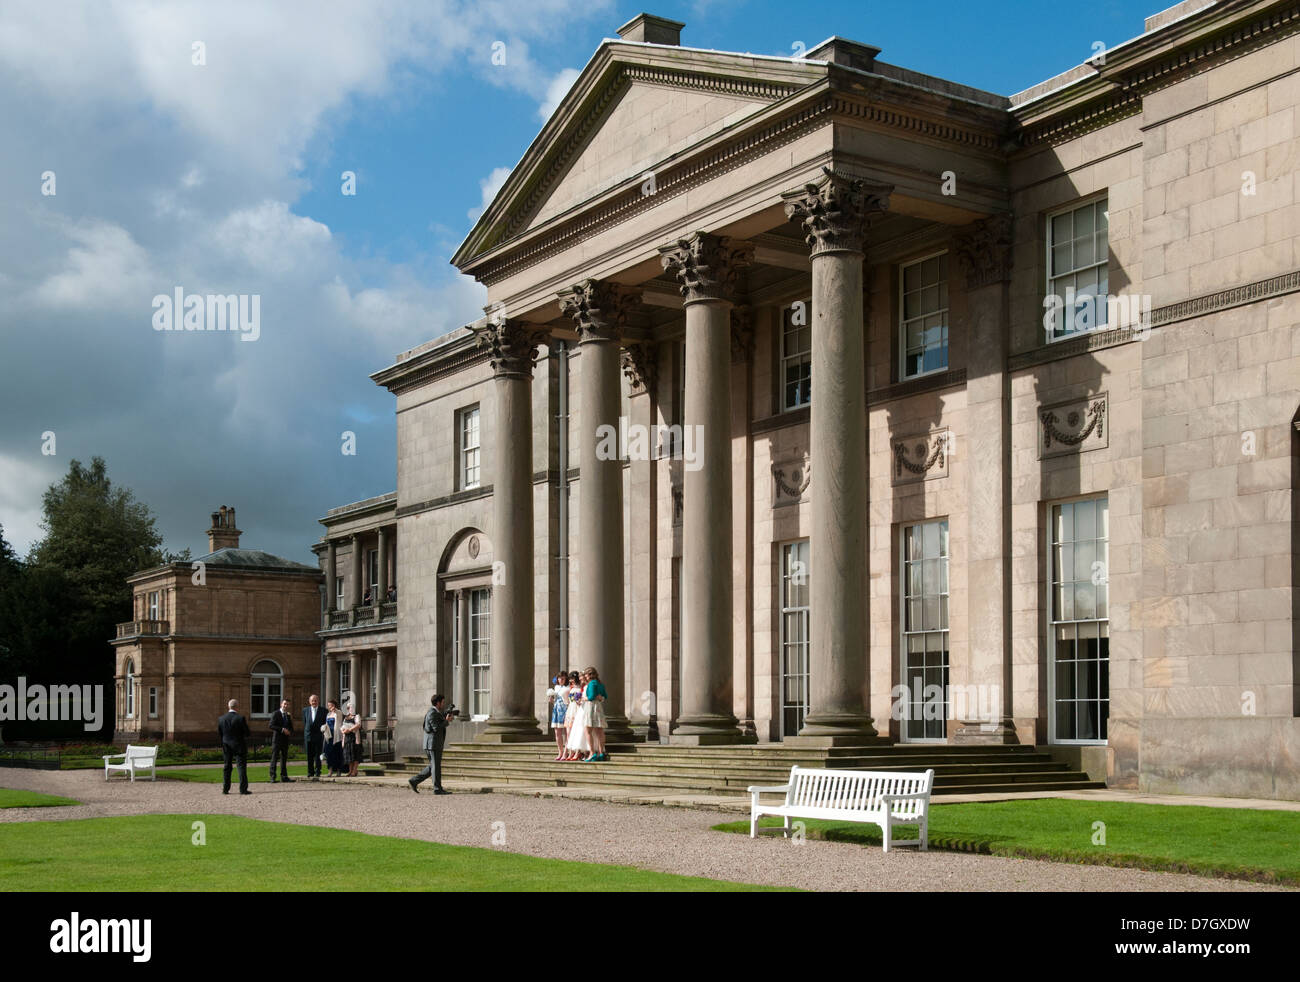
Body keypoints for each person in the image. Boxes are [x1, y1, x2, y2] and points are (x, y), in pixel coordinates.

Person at [409, 693, 457, 794]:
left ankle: (414, 781)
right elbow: (436, 728)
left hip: (433, 744)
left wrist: (447, 719)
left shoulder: (436, 712)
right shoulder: (432, 713)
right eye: (442, 702)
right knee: (436, 767)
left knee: (433, 766)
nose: (443, 704)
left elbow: (438, 723)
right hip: (432, 744)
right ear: (438, 703)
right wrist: (447, 721)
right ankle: (437, 789)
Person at [217, 698, 251, 795]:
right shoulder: (240, 718)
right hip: (239, 745)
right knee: (241, 767)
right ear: (237, 706)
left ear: (228, 706)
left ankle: (225, 789)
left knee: (227, 766)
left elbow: (220, 733)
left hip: (226, 745)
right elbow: (247, 733)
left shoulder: (221, 718)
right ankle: (243, 789)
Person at [583, 666, 608, 762]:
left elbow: (591, 697)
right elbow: (605, 696)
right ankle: (601, 753)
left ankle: (592, 753)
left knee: (587, 730)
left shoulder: (592, 683)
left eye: (586, 674)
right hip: (598, 707)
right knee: (599, 730)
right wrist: (600, 697)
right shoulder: (600, 684)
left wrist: (584, 698)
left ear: (590, 675)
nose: (585, 676)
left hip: (591, 707)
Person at [563, 671, 589, 762]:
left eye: (573, 679)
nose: (571, 680)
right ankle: (570, 752)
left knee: (577, 731)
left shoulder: (581, 688)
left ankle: (577, 752)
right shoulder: (571, 688)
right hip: (571, 709)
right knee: (569, 733)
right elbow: (568, 701)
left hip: (577, 709)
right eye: (570, 679)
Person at [268, 698, 294, 783]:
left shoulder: (288, 715)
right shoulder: (276, 713)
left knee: (284, 759)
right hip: (277, 740)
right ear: (281, 704)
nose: (286, 706)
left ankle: (284, 776)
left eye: (287, 704)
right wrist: (282, 730)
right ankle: (272, 777)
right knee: (274, 758)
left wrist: (290, 731)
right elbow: (271, 725)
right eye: (284, 704)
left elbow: (291, 726)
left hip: (285, 740)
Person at [303, 694, 325, 781]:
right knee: (309, 755)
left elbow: (324, 723)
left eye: (315, 700)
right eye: (312, 701)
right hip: (308, 736)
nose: (314, 702)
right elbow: (305, 722)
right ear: (309, 702)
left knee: (318, 755)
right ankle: (310, 771)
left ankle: (318, 771)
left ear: (318, 701)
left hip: (318, 735)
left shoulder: (323, 711)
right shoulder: (305, 710)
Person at [548, 672, 569, 760]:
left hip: (565, 710)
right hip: (556, 710)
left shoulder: (568, 688)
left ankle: (566, 752)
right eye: (559, 678)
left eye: (563, 678)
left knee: (567, 733)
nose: (561, 680)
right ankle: (560, 752)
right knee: (557, 732)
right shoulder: (556, 687)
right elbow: (554, 700)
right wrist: (551, 699)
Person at [322, 698, 344, 778]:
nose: (329, 707)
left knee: (337, 754)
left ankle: (338, 770)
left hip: (336, 736)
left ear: (334, 705)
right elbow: (327, 723)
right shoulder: (328, 714)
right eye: (328, 705)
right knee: (329, 754)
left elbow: (339, 720)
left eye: (331, 705)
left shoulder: (338, 712)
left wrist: (335, 711)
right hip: (329, 736)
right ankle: (330, 770)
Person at [341, 704, 363, 778]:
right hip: (347, 738)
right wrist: (343, 731)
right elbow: (342, 726)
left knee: (355, 754)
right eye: (349, 708)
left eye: (352, 708)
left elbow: (358, 724)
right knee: (349, 755)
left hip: (354, 737)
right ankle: (350, 771)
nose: (351, 709)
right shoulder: (346, 717)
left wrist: (350, 729)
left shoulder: (357, 716)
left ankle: (354, 770)